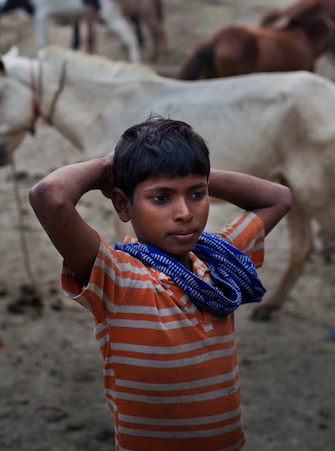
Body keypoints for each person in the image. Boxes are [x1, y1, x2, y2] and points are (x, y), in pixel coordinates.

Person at [29, 117, 292, 450]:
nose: (185, 212)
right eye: (162, 198)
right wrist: (108, 166)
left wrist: (193, 172)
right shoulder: (118, 279)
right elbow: (48, 196)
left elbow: (279, 198)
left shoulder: (218, 260)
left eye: (197, 194)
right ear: (123, 204)